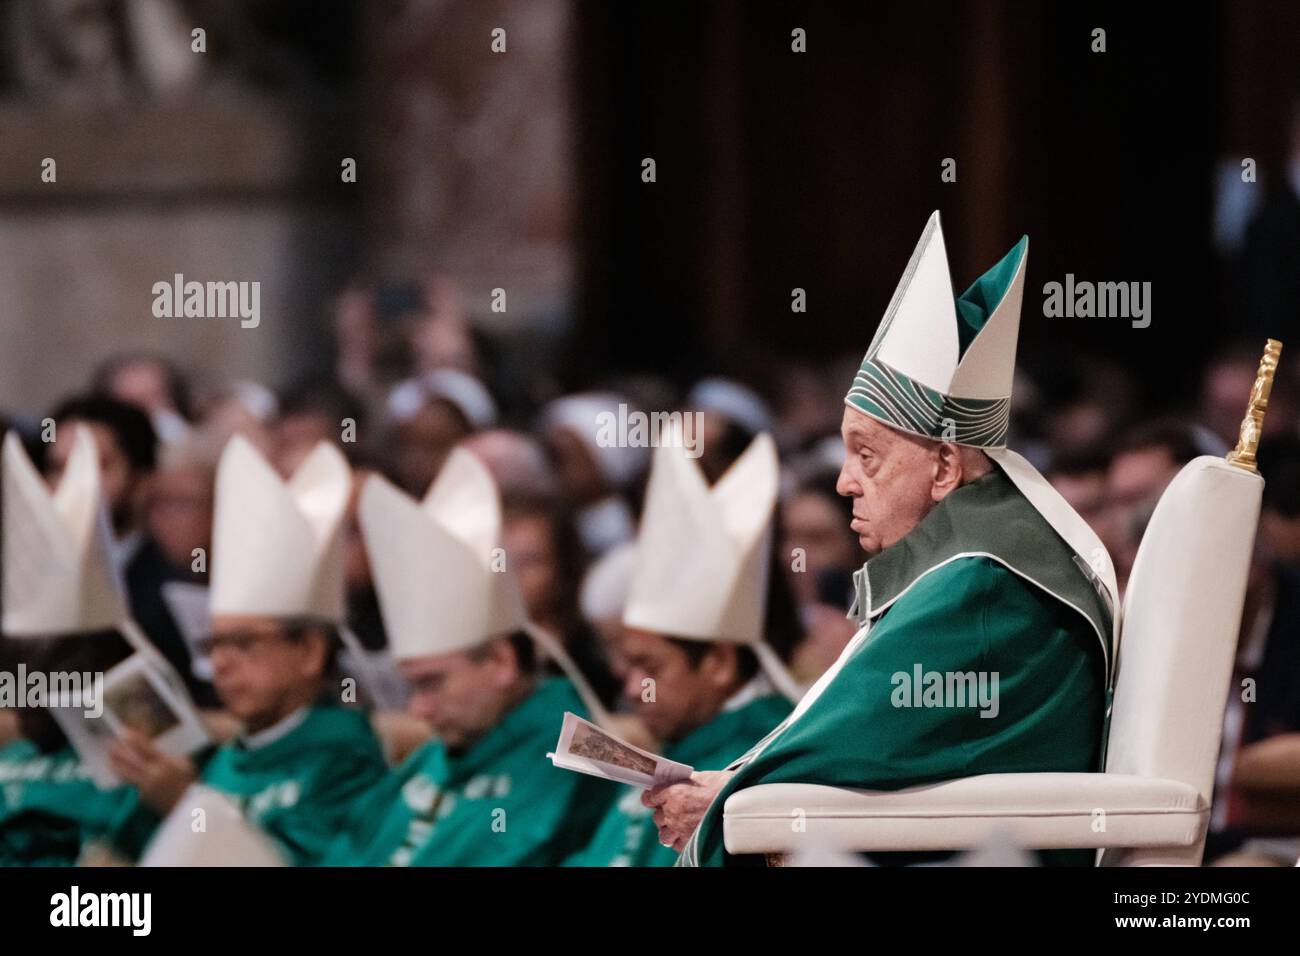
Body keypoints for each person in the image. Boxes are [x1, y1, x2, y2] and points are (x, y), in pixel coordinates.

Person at [651, 211, 1118, 866]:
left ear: (947, 467)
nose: (844, 482)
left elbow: (859, 741)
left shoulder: (984, 580)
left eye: (866, 456)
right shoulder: (977, 553)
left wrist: (732, 797)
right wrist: (739, 789)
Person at [104, 437, 388, 865]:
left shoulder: (348, 761)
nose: (220, 662)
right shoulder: (227, 754)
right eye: (213, 643)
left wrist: (187, 804)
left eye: (243, 644)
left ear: (310, 650)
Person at [325, 448, 614, 866]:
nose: (418, 710)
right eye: (412, 685)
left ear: (499, 661)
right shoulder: (442, 750)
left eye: (431, 683)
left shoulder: (577, 757)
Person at [565, 434, 794, 866]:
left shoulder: (770, 755)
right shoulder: (672, 738)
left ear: (719, 663)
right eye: (625, 666)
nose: (634, 689)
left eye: (648, 667)